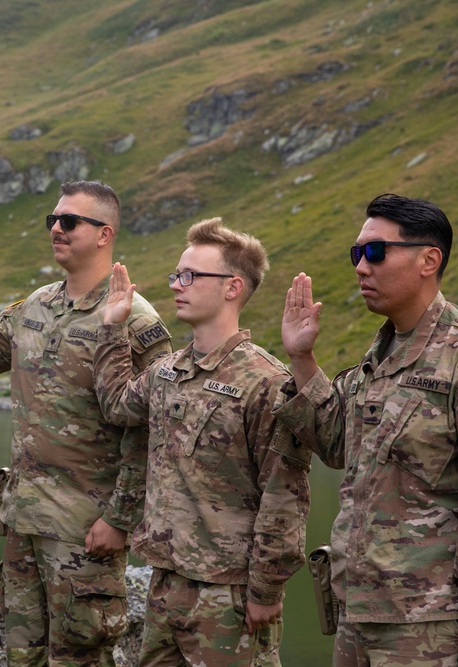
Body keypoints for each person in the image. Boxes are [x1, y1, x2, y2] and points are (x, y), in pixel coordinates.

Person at [0, 180, 173, 666]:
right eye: (52, 221)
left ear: (105, 234)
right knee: (23, 655)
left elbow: (151, 428)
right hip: (25, 516)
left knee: (79, 656)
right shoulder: (38, 304)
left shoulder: (133, 319)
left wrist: (120, 518)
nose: (56, 229)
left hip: (86, 524)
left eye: (70, 222)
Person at [278, 193, 458, 667]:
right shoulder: (380, 353)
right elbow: (337, 445)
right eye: (357, 254)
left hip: (430, 622)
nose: (362, 267)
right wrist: (302, 359)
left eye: (377, 252)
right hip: (358, 611)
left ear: (428, 260)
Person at [93, 218, 311, 666]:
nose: (177, 285)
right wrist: (114, 329)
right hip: (165, 580)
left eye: (190, 276)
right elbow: (118, 406)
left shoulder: (266, 382)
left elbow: (284, 496)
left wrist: (266, 590)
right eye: (177, 274)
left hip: (228, 594)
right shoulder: (168, 371)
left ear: (232, 287)